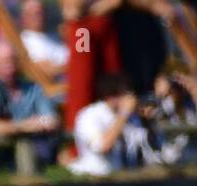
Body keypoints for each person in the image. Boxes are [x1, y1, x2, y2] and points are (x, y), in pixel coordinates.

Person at [0, 40, 59, 136]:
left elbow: (51, 119)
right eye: (5, 62)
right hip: (2, 144)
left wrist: (41, 122)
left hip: (35, 143)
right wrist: (22, 126)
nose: (10, 67)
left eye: (13, 61)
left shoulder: (33, 89)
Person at [60, 0, 122, 130]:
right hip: (83, 27)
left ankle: (112, 129)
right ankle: (76, 132)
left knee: (112, 83)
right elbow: (73, 8)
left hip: (105, 24)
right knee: (82, 82)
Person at [68, 72, 145, 174]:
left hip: (126, 175)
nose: (129, 100)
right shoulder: (89, 115)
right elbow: (102, 146)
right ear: (110, 96)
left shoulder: (129, 116)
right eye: (124, 94)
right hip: (95, 175)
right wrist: (123, 114)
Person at [19, 0, 68, 82]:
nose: (38, 17)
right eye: (34, 14)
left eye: (40, 12)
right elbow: (45, 70)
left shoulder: (55, 35)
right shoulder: (25, 41)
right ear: (24, 16)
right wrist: (74, 65)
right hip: (58, 85)